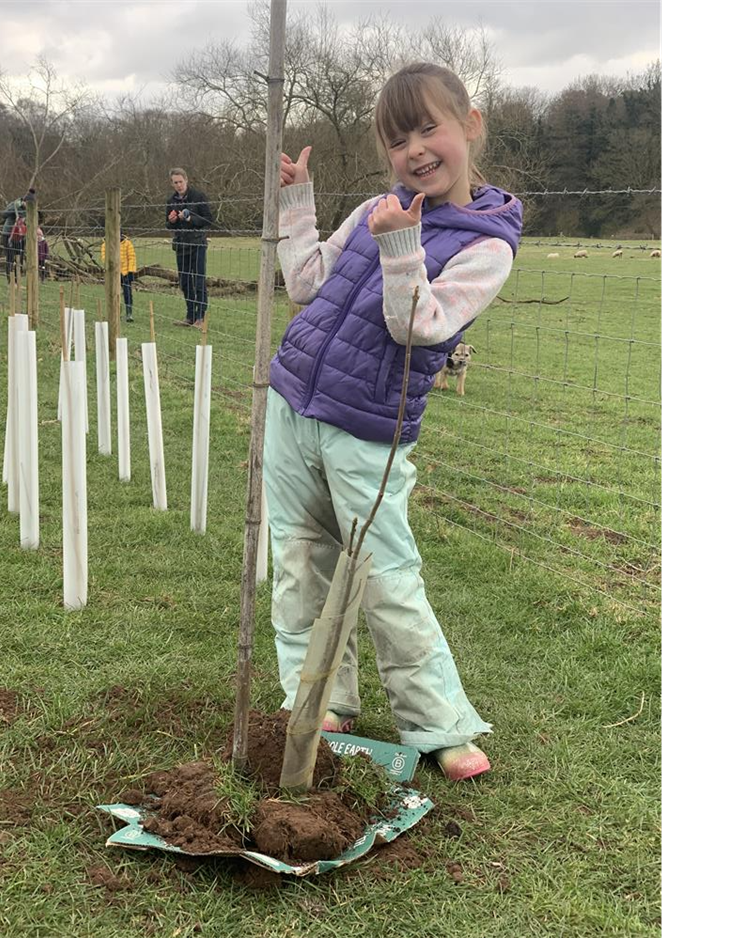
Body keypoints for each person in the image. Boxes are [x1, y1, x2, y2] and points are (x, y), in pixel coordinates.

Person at [265, 63, 523, 781]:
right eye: (397, 138)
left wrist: (400, 248)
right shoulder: (381, 204)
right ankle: (316, 697)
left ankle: (438, 724)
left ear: (470, 124)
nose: (414, 150)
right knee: (298, 562)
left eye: (429, 128)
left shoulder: (486, 245)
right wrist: (297, 205)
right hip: (292, 405)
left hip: (367, 430)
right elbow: (307, 284)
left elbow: (419, 327)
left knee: (386, 575)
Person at [165, 169, 213, 327]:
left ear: (186, 180)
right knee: (185, 282)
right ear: (172, 183)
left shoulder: (198, 197)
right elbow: (167, 223)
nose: (178, 185)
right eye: (175, 182)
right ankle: (190, 315)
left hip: (197, 243)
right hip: (180, 245)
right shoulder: (171, 201)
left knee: (198, 280)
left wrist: (190, 218)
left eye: (180, 182)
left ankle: (201, 316)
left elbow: (208, 220)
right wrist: (171, 221)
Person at [101, 232, 137, 322]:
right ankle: (114, 313)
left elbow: (132, 257)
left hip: (125, 273)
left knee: (127, 293)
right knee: (112, 293)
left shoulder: (127, 244)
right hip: (113, 273)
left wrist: (130, 271)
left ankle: (129, 313)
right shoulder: (105, 245)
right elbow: (104, 258)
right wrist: (109, 269)